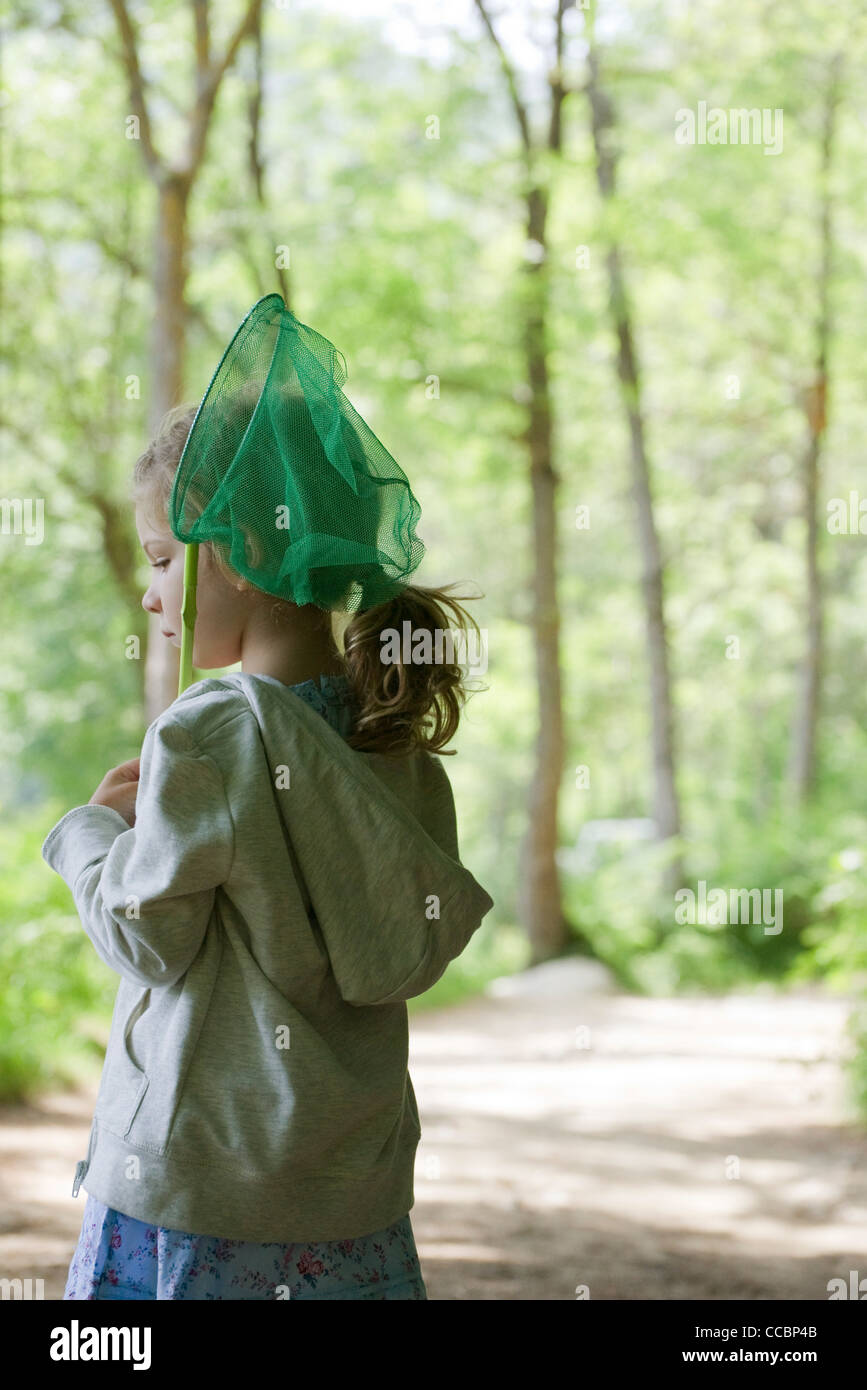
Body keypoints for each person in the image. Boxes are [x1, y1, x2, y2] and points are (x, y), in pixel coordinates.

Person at [41, 391, 494, 1300]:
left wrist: (89, 839)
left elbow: (146, 936)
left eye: (166, 558)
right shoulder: (392, 741)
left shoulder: (205, 735)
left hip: (200, 1195)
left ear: (242, 552)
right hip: (348, 1205)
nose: (150, 589)